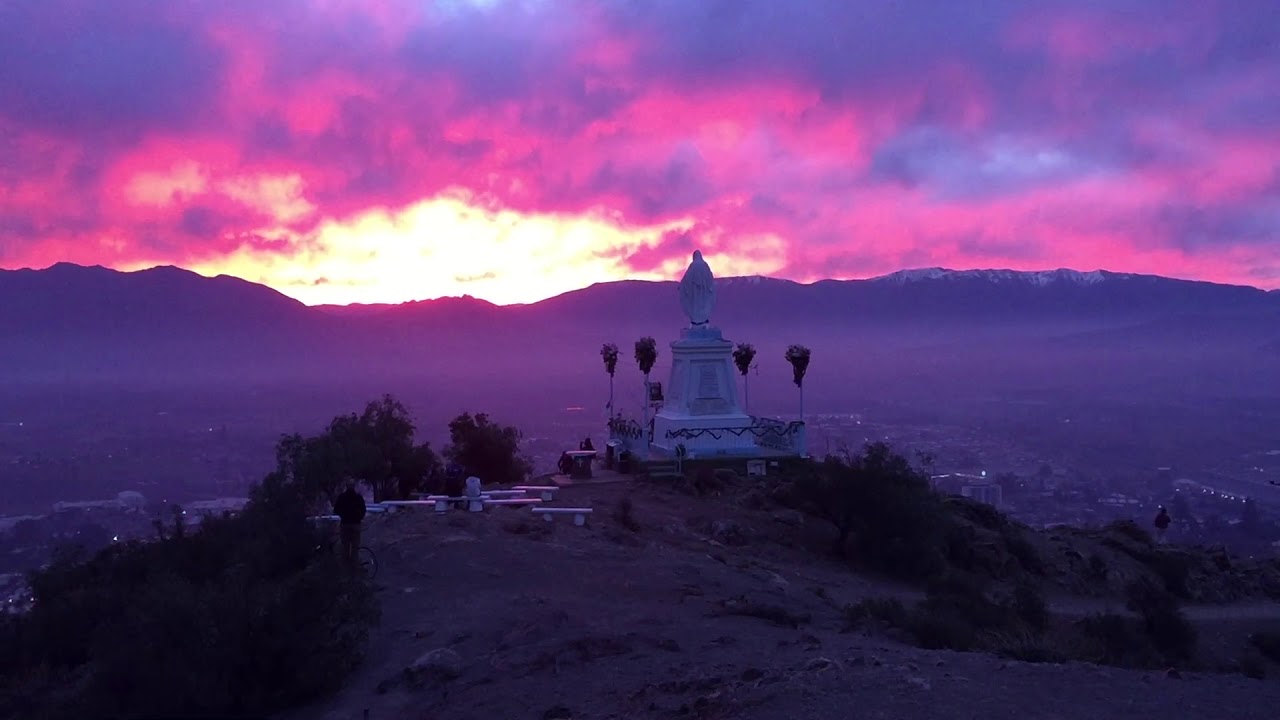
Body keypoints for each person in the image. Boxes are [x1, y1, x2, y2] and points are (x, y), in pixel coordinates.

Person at [333, 481, 367, 569]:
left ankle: (346, 569)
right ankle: (354, 569)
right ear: (354, 486)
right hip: (356, 524)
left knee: (345, 548)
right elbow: (363, 510)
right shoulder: (358, 497)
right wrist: (359, 517)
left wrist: (343, 515)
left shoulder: (342, 497)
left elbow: (336, 509)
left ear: (346, 486)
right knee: (355, 548)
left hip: (345, 524)